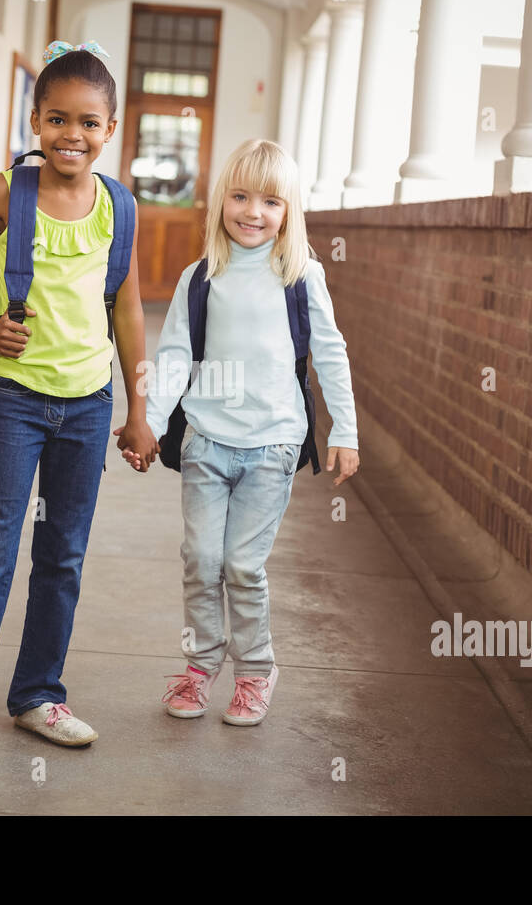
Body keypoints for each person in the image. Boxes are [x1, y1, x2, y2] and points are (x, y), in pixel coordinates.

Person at [0, 40, 158, 764]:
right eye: (56, 119)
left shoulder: (120, 207)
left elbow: (130, 311)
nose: (70, 135)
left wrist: (138, 410)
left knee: (63, 556)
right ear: (35, 121)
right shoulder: (2, 193)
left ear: (111, 129)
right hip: (16, 399)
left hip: (87, 405)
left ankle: (39, 696)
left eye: (87, 121)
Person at [128, 138, 359, 726]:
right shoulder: (201, 277)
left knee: (242, 566)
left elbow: (330, 354)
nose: (253, 212)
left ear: (289, 212)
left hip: (273, 445)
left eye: (270, 202)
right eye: (239, 196)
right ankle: (200, 667)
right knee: (201, 559)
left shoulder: (302, 276)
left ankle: (255, 671)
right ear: (220, 201)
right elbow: (176, 354)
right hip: (206, 440)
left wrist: (344, 431)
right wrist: (151, 425)